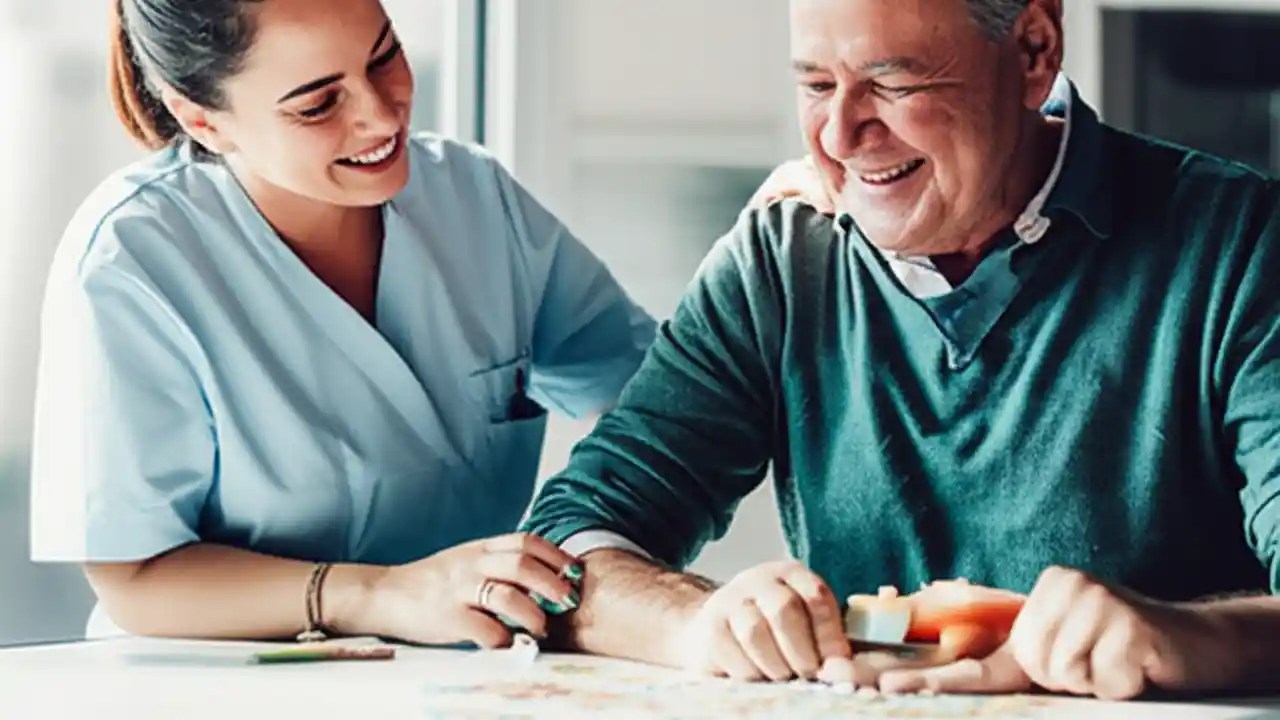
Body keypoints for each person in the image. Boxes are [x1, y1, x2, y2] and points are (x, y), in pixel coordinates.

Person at [523, 0, 1280, 701]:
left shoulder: (1241, 244)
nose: (838, 135)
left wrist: (1190, 638)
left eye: (891, 83)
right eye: (817, 85)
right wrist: (696, 622)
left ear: (1033, 51)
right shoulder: (782, 261)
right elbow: (565, 544)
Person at [27, 0, 658, 648]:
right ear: (203, 121)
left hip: (466, 671)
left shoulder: (474, 199)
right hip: (213, 682)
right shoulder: (133, 259)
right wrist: (379, 595)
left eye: (384, 57)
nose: (381, 115)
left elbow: (667, 401)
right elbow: (135, 579)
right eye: (318, 105)